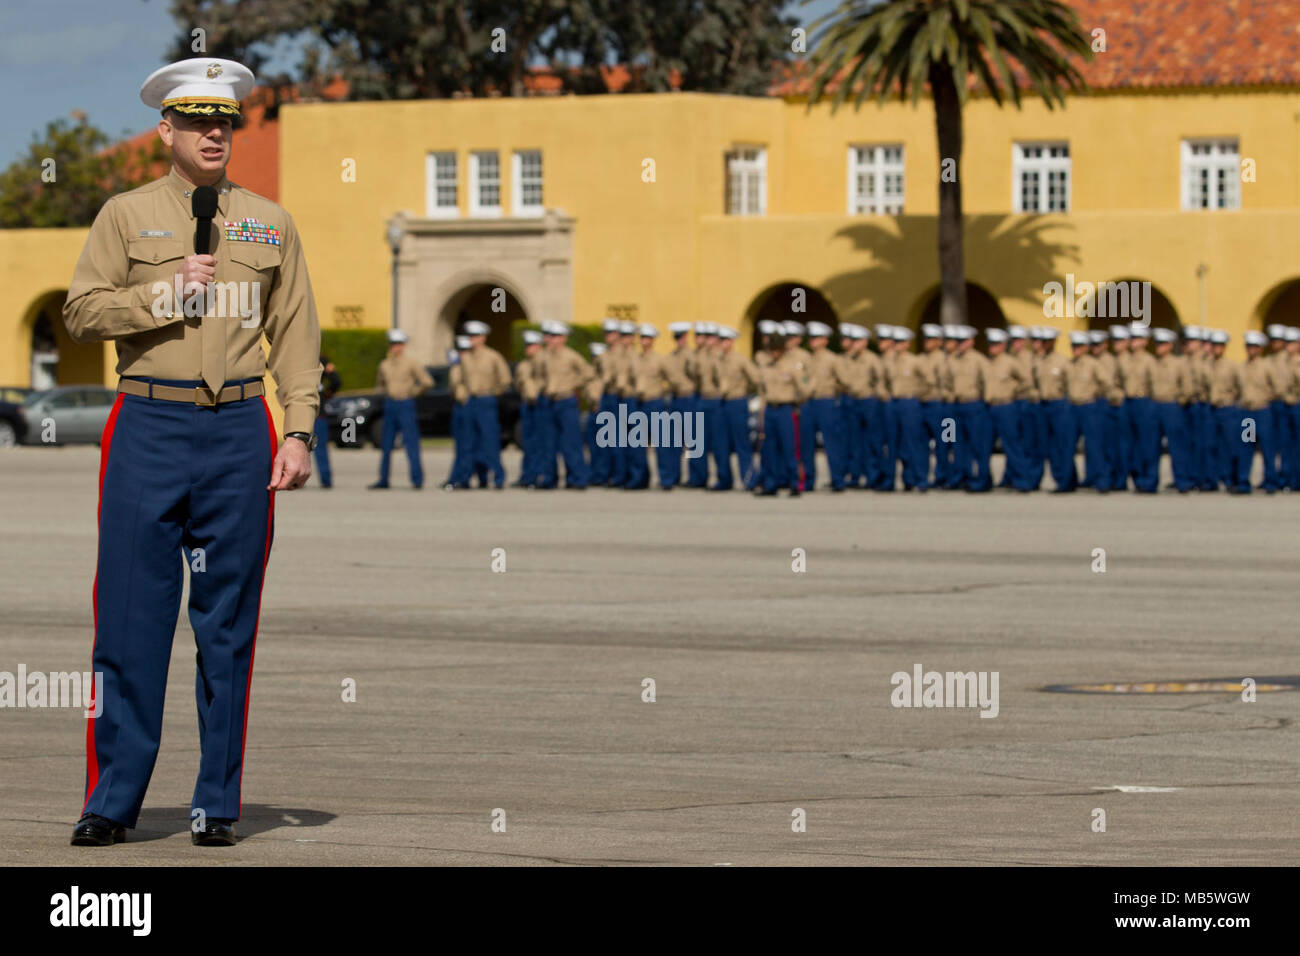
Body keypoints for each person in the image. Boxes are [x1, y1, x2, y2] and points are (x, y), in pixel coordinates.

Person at [62, 58, 321, 847]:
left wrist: (301, 427)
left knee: (227, 628)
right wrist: (162, 293)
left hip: (239, 433)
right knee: (130, 623)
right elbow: (79, 312)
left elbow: (297, 332)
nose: (216, 133)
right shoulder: (124, 215)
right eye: (199, 121)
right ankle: (112, 801)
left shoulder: (269, 222)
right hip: (148, 426)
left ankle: (216, 804)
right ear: (165, 131)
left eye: (227, 121)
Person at [537, 320, 595, 489]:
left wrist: (572, 383)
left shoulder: (571, 356)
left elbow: (588, 373)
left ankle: (577, 478)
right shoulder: (544, 356)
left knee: (572, 442)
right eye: (551, 336)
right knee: (549, 443)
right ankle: (549, 478)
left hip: (567, 400)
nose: (553, 340)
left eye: (557, 336)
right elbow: (539, 375)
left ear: (564, 338)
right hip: (549, 401)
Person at [371, 328, 432, 489]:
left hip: (406, 403)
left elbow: (427, 382)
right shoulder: (384, 364)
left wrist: (413, 393)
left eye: (398, 344)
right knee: (386, 444)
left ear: (403, 345)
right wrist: (386, 393)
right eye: (392, 344)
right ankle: (383, 479)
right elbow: (380, 384)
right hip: (390, 404)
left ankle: (417, 479)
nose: (395, 347)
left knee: (411, 443)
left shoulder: (412, 362)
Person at [458, 320, 512, 489]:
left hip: (486, 400)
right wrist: (462, 392)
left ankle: (498, 477)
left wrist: (493, 392)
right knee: (469, 442)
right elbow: (460, 379)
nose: (472, 339)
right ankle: (470, 478)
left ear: (483, 338)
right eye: (470, 336)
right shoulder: (465, 358)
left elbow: (505, 379)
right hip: (470, 401)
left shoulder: (493, 356)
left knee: (489, 442)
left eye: (475, 336)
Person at [756, 330, 810, 496]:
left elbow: (804, 390)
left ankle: (795, 483)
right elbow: (762, 390)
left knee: (790, 448)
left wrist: (795, 403)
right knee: (769, 449)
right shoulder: (766, 367)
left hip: (786, 409)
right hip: (770, 409)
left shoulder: (791, 366)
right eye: (771, 350)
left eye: (776, 349)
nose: (773, 353)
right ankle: (771, 484)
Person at [799, 321, 849, 491]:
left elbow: (845, 380)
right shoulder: (806, 359)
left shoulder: (832, 359)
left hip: (826, 401)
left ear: (825, 340)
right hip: (808, 402)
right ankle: (808, 480)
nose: (812, 341)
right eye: (811, 338)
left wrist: (833, 390)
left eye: (816, 338)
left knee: (831, 443)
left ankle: (837, 480)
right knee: (807, 444)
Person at [711, 326, 761, 490]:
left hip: (737, 402)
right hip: (722, 403)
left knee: (742, 443)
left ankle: (748, 479)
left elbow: (755, 379)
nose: (722, 343)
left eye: (725, 340)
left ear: (731, 342)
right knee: (721, 444)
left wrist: (745, 391)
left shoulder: (740, 359)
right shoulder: (716, 360)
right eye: (720, 340)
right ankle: (724, 479)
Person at [626, 324, 672, 489]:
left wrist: (664, 392)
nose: (644, 341)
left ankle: (666, 479)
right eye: (642, 338)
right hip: (639, 403)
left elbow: (672, 378)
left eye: (647, 338)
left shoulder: (660, 359)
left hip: (655, 402)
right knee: (637, 444)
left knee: (661, 444)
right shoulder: (635, 359)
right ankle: (639, 479)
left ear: (652, 340)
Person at [984, 328, 1031, 491]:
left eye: (996, 344)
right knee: (984, 446)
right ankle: (984, 482)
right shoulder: (988, 362)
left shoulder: (1010, 362)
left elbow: (1026, 381)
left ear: (1003, 345)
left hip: (1006, 406)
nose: (992, 347)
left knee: (1012, 445)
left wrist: (1013, 392)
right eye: (990, 344)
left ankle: (1022, 481)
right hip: (989, 407)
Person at [1149, 327, 1193, 493]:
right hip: (1155, 405)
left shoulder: (1178, 364)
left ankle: (1182, 481)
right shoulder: (1152, 363)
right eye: (1157, 343)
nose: (1158, 347)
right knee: (1151, 447)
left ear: (1169, 345)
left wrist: (1179, 402)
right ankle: (1150, 482)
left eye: (1162, 344)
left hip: (1172, 406)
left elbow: (1187, 387)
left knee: (1177, 447)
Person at [1068, 330, 1112, 492]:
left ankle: (1102, 481)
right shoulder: (1070, 364)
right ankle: (1068, 482)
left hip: (1089, 406)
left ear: (1085, 347)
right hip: (1072, 407)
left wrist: (1097, 395)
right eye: (1073, 346)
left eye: (1079, 346)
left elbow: (1106, 382)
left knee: (1095, 446)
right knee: (1067, 446)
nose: (1075, 349)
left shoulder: (1093, 364)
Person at [662, 322, 697, 489]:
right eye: (676, 337)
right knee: (674, 441)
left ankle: (695, 477)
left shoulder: (692, 355)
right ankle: (674, 475)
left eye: (681, 336)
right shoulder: (671, 356)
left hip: (690, 398)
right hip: (675, 399)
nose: (679, 340)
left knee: (692, 442)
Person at [513, 330, 545, 487]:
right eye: (527, 345)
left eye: (531, 345)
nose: (528, 348)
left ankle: (540, 474)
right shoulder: (523, 365)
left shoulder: (545, 362)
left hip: (542, 404)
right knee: (528, 442)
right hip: (527, 404)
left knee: (541, 442)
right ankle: (527, 476)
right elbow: (518, 383)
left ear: (539, 346)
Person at [316, 354, 340, 488]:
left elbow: (336, 381)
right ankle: (326, 480)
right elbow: (336, 381)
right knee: (319, 448)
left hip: (312, 412)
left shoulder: (321, 360)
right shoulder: (322, 360)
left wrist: (327, 393)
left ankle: (325, 479)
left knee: (302, 446)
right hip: (316, 410)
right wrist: (327, 393)